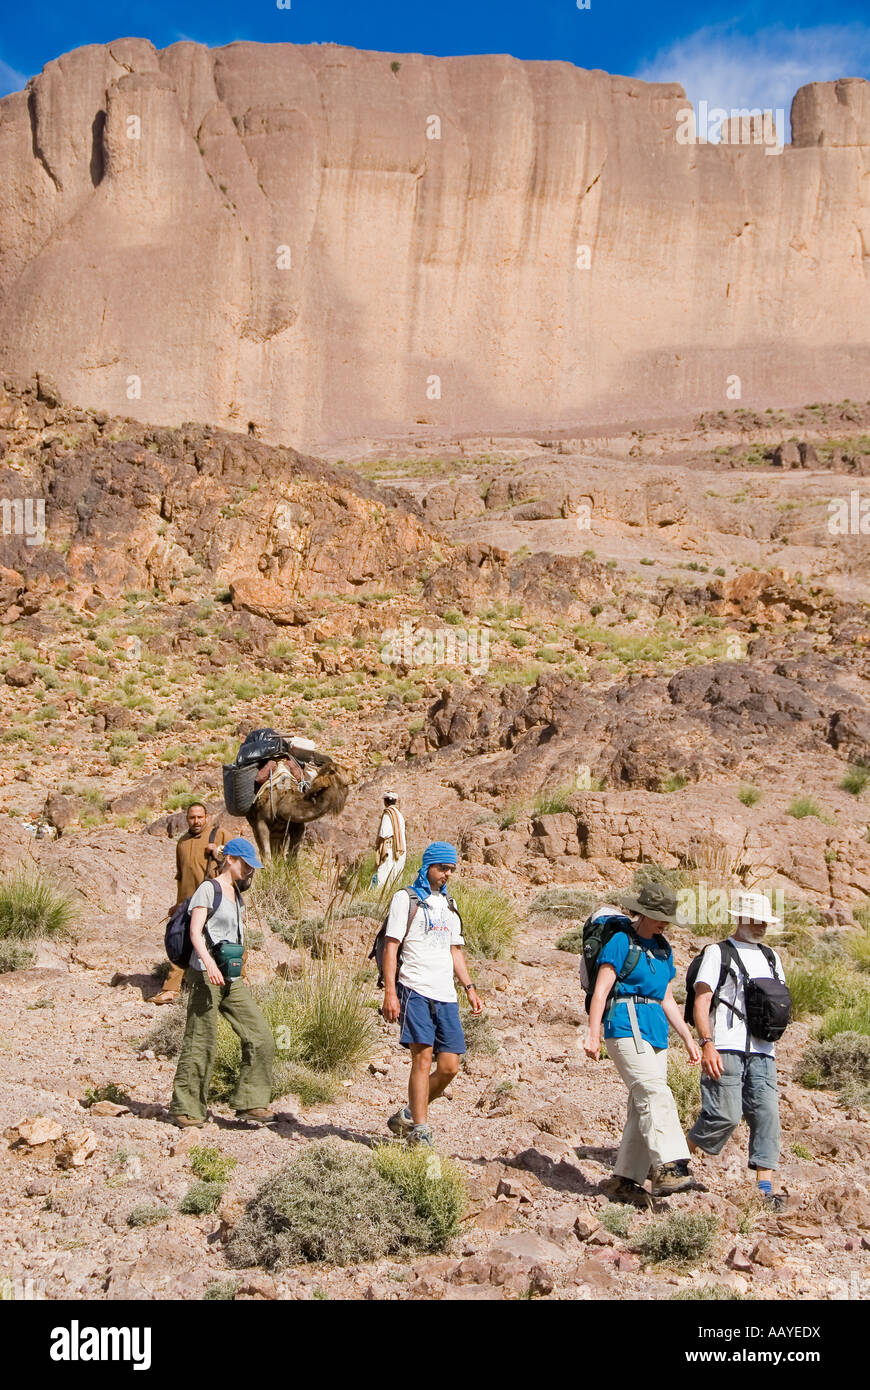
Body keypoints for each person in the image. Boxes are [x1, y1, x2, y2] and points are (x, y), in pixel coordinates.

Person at [584, 882, 701, 1204]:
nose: (664, 923)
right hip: (624, 1024)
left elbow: (664, 996)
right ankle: (668, 1166)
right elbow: (601, 991)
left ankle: (625, 1180)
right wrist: (593, 1033)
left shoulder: (663, 948)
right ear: (642, 912)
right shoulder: (621, 941)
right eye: (657, 916)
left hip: (655, 1029)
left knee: (642, 1103)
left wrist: (688, 1038)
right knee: (653, 1091)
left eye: (667, 917)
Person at [687, 891, 787, 1207]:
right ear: (740, 918)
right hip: (725, 1047)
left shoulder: (772, 956)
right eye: (755, 920)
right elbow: (702, 1001)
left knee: (768, 1115)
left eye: (764, 922)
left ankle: (764, 1190)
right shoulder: (717, 953)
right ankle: (672, 1161)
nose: (760, 927)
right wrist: (707, 1044)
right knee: (724, 1115)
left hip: (762, 1050)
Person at [169, 837, 275, 1129]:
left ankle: (251, 1103)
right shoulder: (209, 888)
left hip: (230, 976)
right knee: (201, 1040)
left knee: (261, 1035)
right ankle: (186, 1109)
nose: (250, 871)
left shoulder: (236, 894)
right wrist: (211, 965)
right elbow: (195, 932)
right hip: (206, 973)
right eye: (246, 865)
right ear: (230, 860)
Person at [381, 842, 482, 1148]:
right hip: (414, 988)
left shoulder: (449, 906)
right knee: (422, 1058)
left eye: (451, 870)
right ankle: (420, 1130)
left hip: (446, 995)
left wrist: (469, 988)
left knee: (450, 1066)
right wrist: (390, 992)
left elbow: (455, 950)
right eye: (442, 869)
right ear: (427, 867)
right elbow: (391, 946)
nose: (446, 875)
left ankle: (410, 1113)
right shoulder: (406, 899)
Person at [153, 802, 226, 1005]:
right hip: (188, 901)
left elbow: (237, 859)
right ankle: (171, 988)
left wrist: (218, 851)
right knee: (181, 940)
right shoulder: (182, 842)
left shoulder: (218, 834)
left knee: (222, 939)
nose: (196, 821)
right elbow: (181, 876)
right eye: (192, 818)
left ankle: (240, 979)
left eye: (200, 817)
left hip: (214, 900)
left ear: (207, 817)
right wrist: (177, 905)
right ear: (187, 819)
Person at [373, 792, 407, 888]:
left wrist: (378, 843)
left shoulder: (388, 814)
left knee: (383, 873)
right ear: (395, 802)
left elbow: (384, 833)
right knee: (395, 875)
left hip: (390, 848)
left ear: (385, 802)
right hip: (400, 848)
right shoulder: (399, 814)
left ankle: (379, 895)